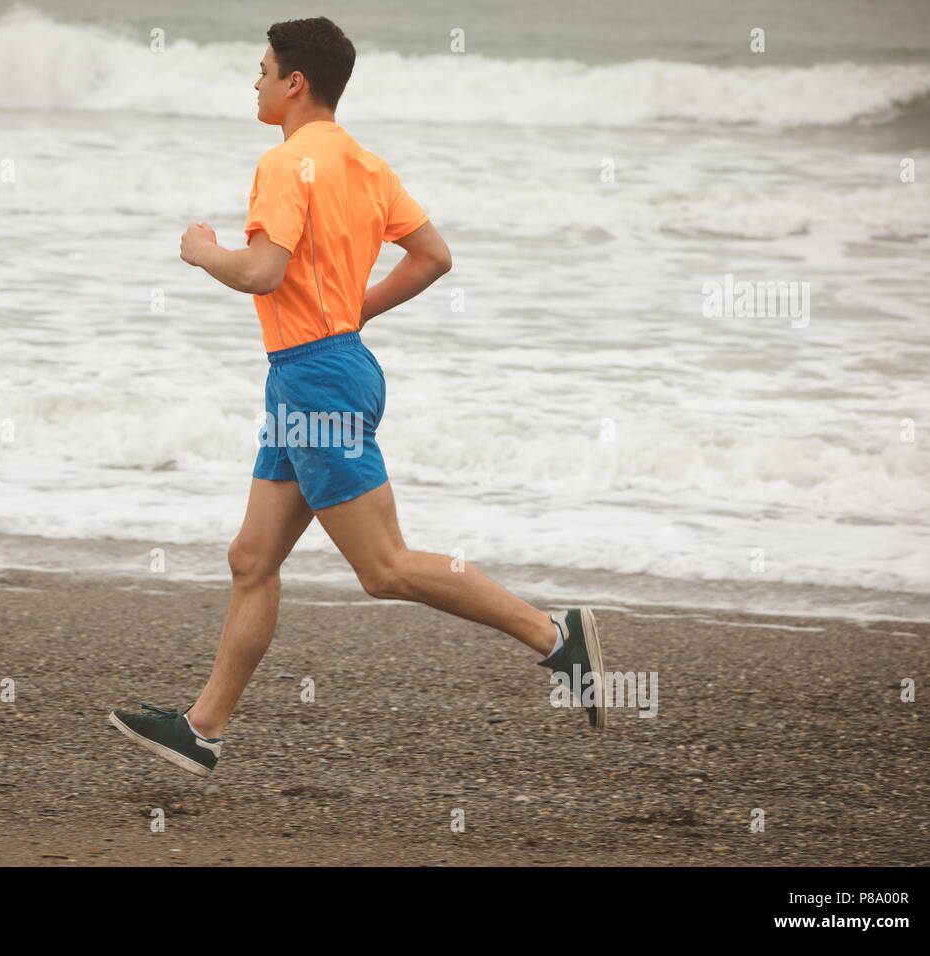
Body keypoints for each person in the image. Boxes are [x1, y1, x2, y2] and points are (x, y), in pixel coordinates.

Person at [109, 16, 606, 778]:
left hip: (316, 380)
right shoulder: (366, 166)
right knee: (251, 557)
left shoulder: (284, 165)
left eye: (264, 68)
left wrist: (203, 251)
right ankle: (202, 729)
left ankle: (555, 638)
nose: (256, 81)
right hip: (321, 369)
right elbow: (433, 257)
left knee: (384, 568)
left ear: (294, 83)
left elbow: (263, 272)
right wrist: (352, 313)